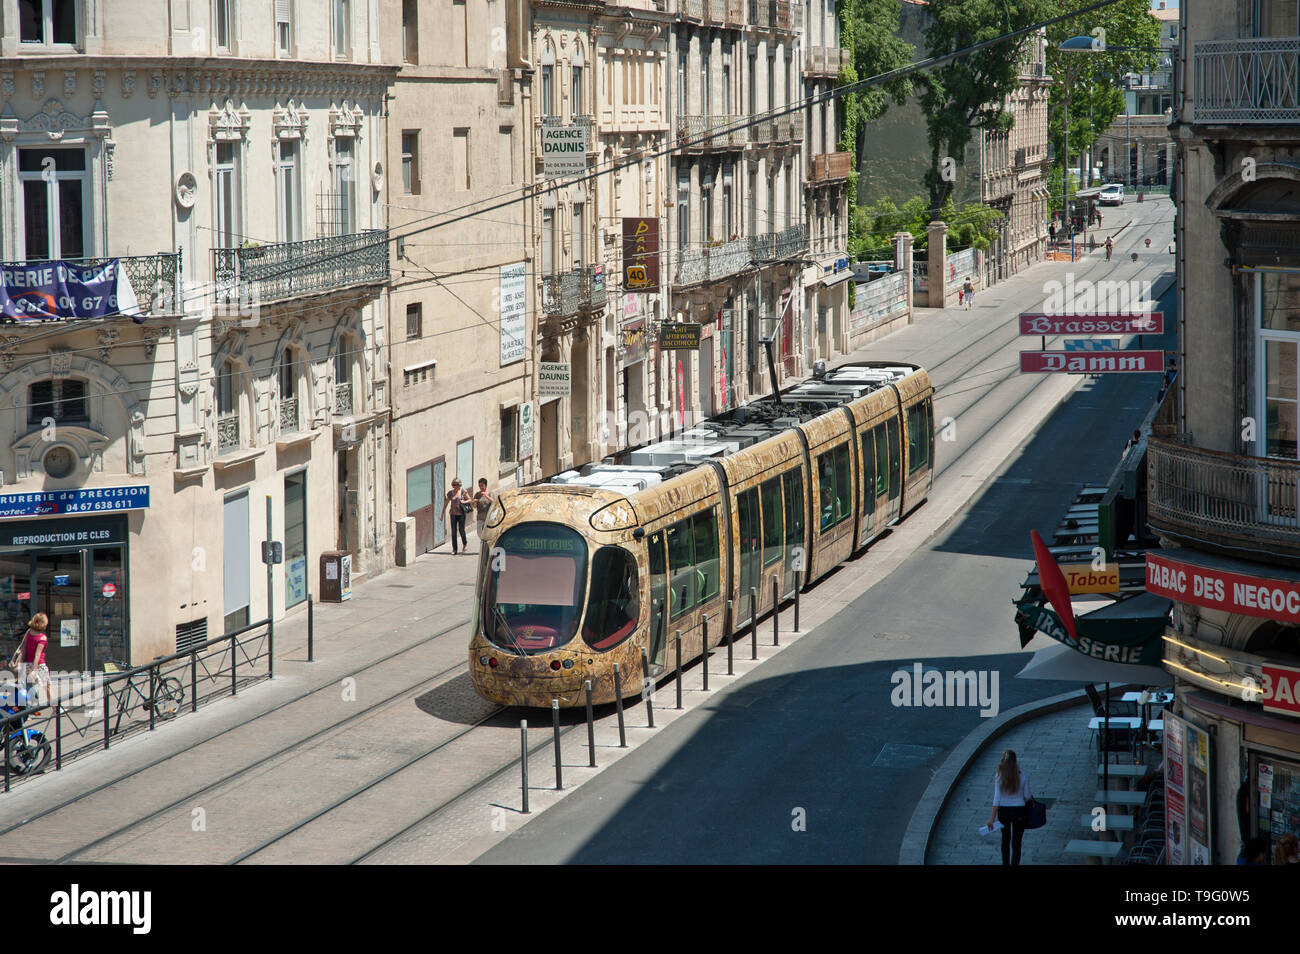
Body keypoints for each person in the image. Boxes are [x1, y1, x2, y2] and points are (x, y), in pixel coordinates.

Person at [988, 750, 1033, 865]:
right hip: (1019, 811)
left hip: (1004, 811)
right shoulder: (1022, 776)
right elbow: (1027, 796)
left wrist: (991, 819)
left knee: (1005, 840)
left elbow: (996, 798)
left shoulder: (999, 776)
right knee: (1016, 843)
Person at [9, 613, 50, 706]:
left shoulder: (29, 631)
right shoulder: (42, 638)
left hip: (26, 664)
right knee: (47, 686)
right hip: (39, 665)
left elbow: (22, 646)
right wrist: (34, 670)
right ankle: (55, 709)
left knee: (28, 688)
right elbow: (37, 655)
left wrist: (14, 659)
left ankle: (28, 709)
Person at [440, 478, 472, 555]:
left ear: (459, 485)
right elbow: (446, 504)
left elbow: (470, 499)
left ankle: (464, 543)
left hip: (461, 514)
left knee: (461, 530)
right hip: (453, 514)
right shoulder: (450, 493)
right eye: (453, 485)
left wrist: (464, 501)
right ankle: (454, 549)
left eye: (456, 485)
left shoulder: (463, 492)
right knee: (453, 532)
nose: (454, 486)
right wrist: (442, 515)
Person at [473, 477, 495, 552]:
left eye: (482, 485)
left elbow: (493, 502)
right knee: (479, 532)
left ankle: (488, 546)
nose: (481, 487)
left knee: (488, 533)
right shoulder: (477, 494)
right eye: (479, 486)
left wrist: (486, 496)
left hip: (488, 517)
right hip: (480, 516)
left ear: (485, 485)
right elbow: (474, 506)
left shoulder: (490, 493)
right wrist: (474, 502)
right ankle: (483, 542)